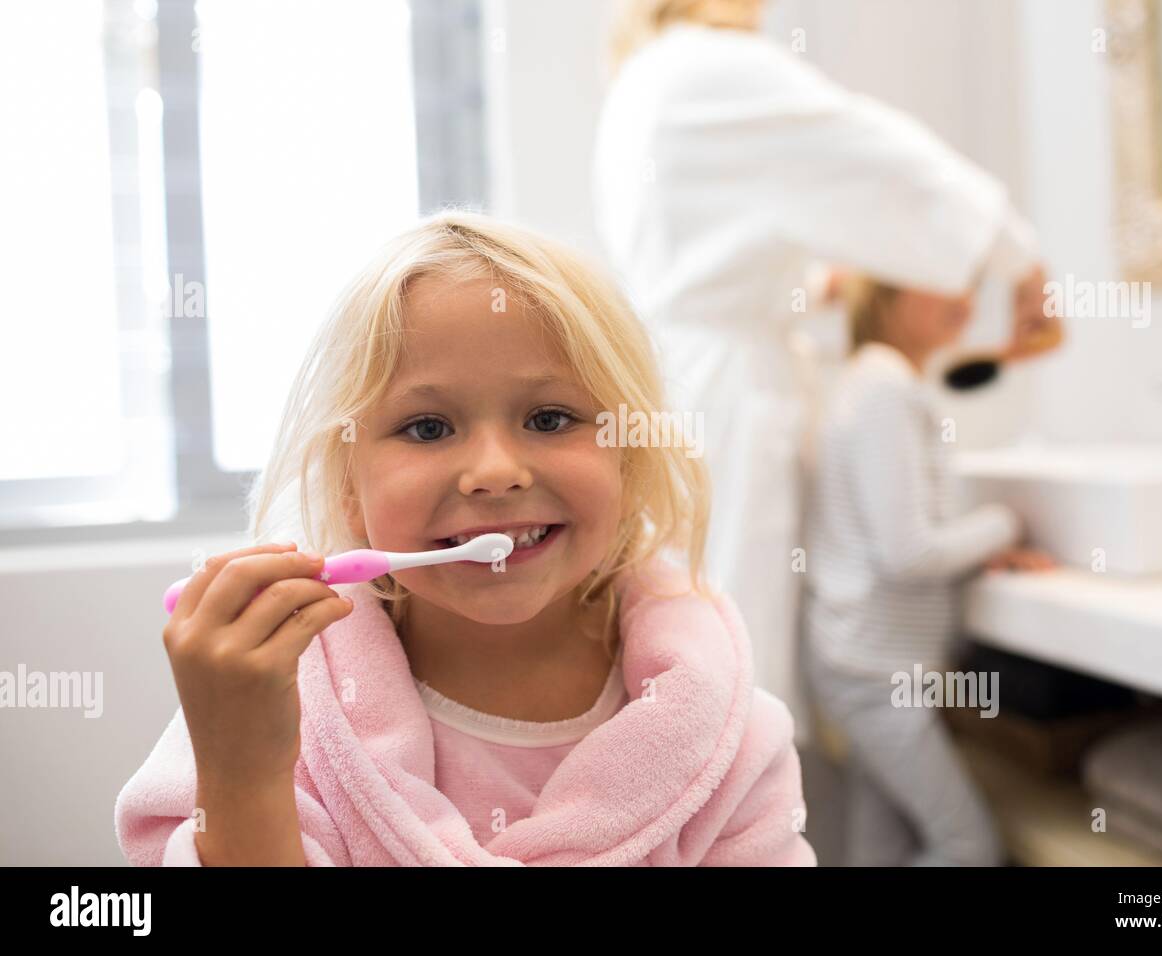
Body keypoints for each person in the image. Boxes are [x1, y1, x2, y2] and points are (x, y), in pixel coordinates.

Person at [114, 212, 816, 866]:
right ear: (347, 485)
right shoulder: (276, 703)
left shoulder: (731, 740)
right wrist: (241, 767)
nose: (494, 473)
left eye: (548, 418)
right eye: (427, 428)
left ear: (629, 458)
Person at [592, 0, 1061, 742]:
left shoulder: (640, 84)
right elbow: (877, 156)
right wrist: (1018, 257)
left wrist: (810, 288)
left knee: (694, 661)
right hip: (728, 408)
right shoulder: (711, 67)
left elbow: (708, 261)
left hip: (685, 388)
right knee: (736, 683)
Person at [803, 273, 1054, 866]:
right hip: (874, 668)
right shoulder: (887, 387)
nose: (966, 301)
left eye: (972, 285)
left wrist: (977, 550)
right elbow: (907, 552)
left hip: (858, 655)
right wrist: (1004, 523)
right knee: (968, 847)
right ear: (889, 290)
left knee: (880, 845)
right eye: (944, 281)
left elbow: (893, 538)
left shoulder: (868, 378)